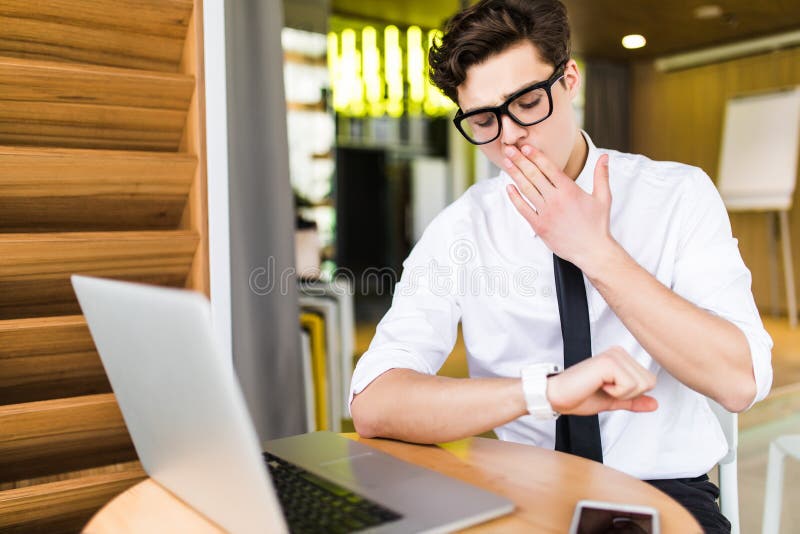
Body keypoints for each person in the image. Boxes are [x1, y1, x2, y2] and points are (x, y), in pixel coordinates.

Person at [348, 1, 773, 532]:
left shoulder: (677, 195)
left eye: (526, 102)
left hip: (659, 493)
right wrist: (542, 393)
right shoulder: (461, 229)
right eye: (483, 118)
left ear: (569, 80)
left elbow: (741, 381)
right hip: (521, 491)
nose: (509, 137)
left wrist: (595, 252)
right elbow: (375, 402)